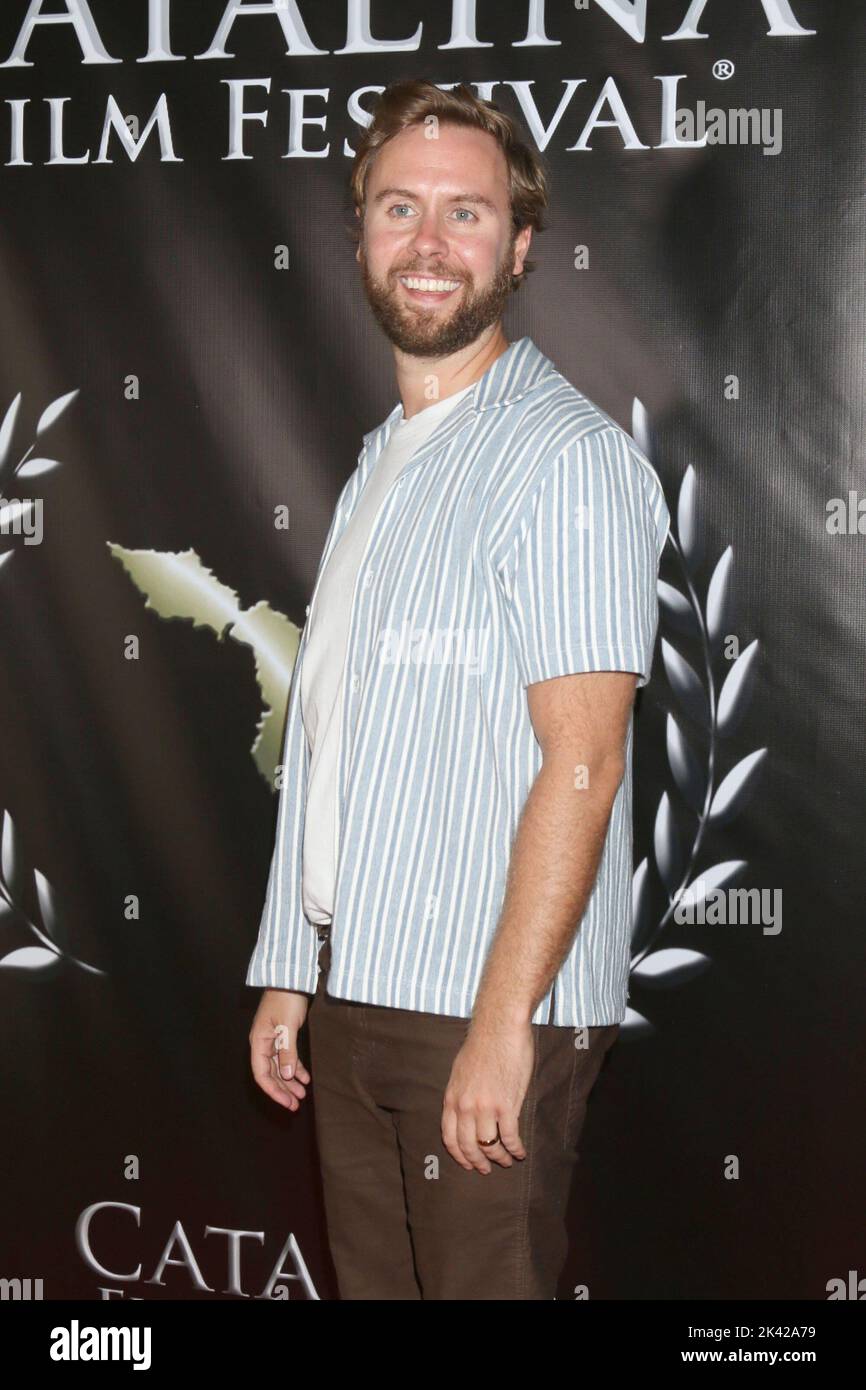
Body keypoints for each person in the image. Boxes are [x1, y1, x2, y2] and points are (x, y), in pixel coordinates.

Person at [247, 78, 670, 1300]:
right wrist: (291, 965)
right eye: (398, 208)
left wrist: (504, 1027)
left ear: (521, 244)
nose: (428, 245)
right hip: (358, 994)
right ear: (359, 234)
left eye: (466, 215)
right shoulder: (380, 459)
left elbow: (582, 765)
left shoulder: (566, 460)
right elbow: (332, 740)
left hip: (479, 1013)